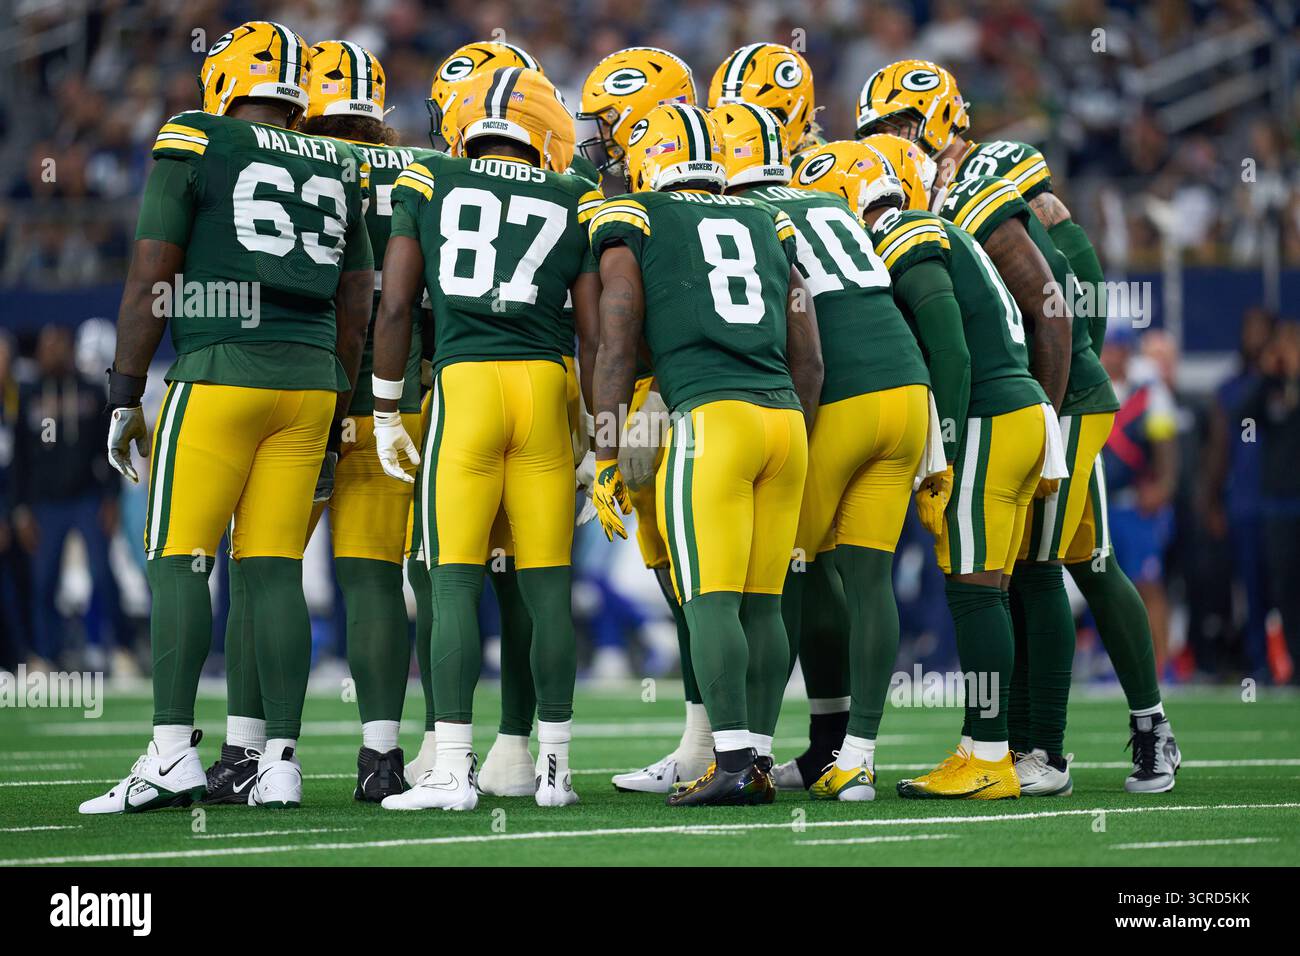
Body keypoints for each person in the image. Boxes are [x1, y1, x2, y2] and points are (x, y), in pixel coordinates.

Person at [84, 20, 374, 813]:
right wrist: (339, 401)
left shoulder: (196, 136)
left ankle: (172, 752)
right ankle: (279, 760)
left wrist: (124, 387)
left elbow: (153, 270)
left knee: (179, 557)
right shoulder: (343, 160)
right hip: (313, 380)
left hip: (220, 371)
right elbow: (357, 303)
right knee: (275, 569)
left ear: (225, 80)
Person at [373, 66, 601, 812]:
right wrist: (603, 433)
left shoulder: (431, 176)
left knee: (453, 584)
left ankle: (450, 769)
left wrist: (381, 408)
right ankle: (555, 773)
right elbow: (596, 335)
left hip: (467, 386)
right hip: (544, 388)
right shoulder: (574, 192)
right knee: (547, 589)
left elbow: (399, 304)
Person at [589, 102, 821, 806]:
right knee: (764, 604)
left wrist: (604, 450)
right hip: (784, 420)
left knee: (709, 600)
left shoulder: (634, 216)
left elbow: (617, 342)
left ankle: (732, 764)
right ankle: (756, 753)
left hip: (709, 420)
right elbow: (809, 357)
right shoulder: (768, 218)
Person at [717, 116, 933, 802]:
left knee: (779, 582)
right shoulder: (828, 205)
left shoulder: (745, 216)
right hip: (906, 392)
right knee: (869, 580)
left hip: (839, 393)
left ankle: (747, 755)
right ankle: (855, 758)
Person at [11, 324, 125, 668]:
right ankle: (46, 654)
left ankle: (119, 648)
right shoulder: (29, 394)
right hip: (44, 503)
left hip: (87, 497)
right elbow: (20, 458)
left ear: (71, 348)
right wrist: (19, 509)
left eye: (59, 345)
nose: (53, 351)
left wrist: (111, 497)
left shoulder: (90, 392)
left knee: (103, 574)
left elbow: (110, 449)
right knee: (43, 580)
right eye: (48, 346)